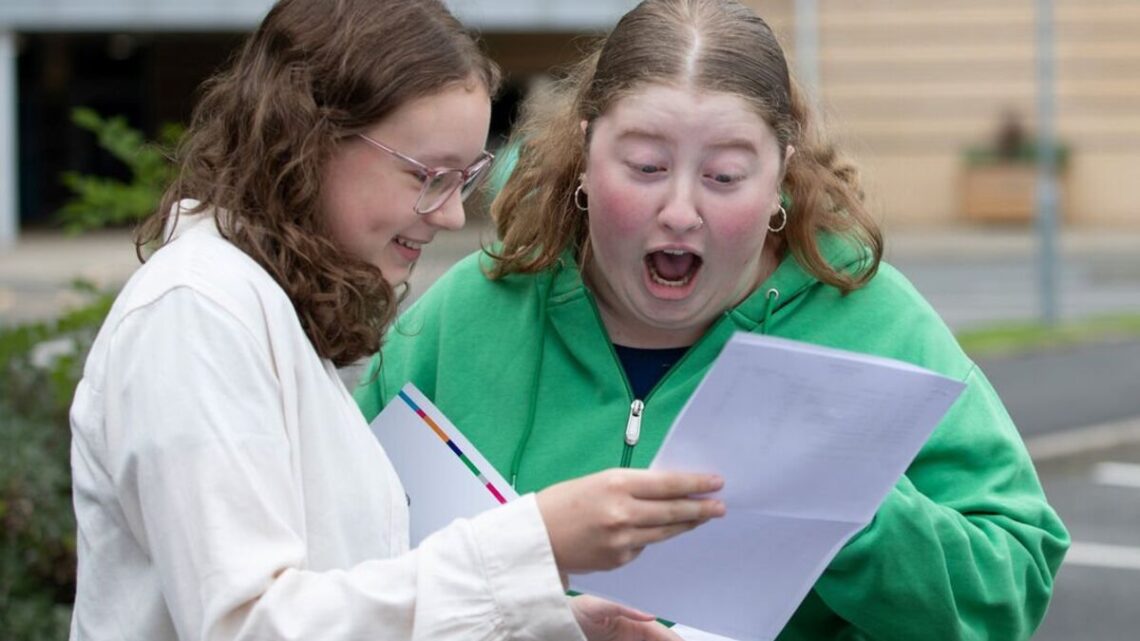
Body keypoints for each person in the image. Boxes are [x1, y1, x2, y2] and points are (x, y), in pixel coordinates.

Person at [355, 0, 1070, 639]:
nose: (680, 209)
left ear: (781, 177)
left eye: (725, 175)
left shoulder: (877, 321)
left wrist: (848, 509)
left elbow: (1010, 586)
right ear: (583, 155)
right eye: (643, 165)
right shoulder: (472, 312)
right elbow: (338, 545)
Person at [67, 1, 729, 639]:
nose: (447, 214)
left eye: (464, 177)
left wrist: (542, 622)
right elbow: (251, 624)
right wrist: (535, 543)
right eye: (428, 175)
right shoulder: (196, 316)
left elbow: (345, 598)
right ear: (307, 139)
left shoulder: (265, 309)